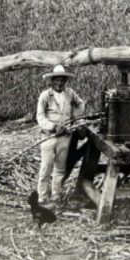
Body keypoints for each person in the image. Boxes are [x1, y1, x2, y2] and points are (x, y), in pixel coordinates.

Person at [35, 65, 86, 205]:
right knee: (46, 167)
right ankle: (42, 196)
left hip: (65, 136)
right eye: (56, 80)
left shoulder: (70, 93)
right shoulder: (45, 96)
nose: (59, 83)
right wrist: (52, 127)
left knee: (60, 168)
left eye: (62, 80)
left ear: (65, 81)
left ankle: (56, 195)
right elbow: (40, 117)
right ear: (51, 81)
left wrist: (75, 118)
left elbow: (80, 104)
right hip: (48, 137)